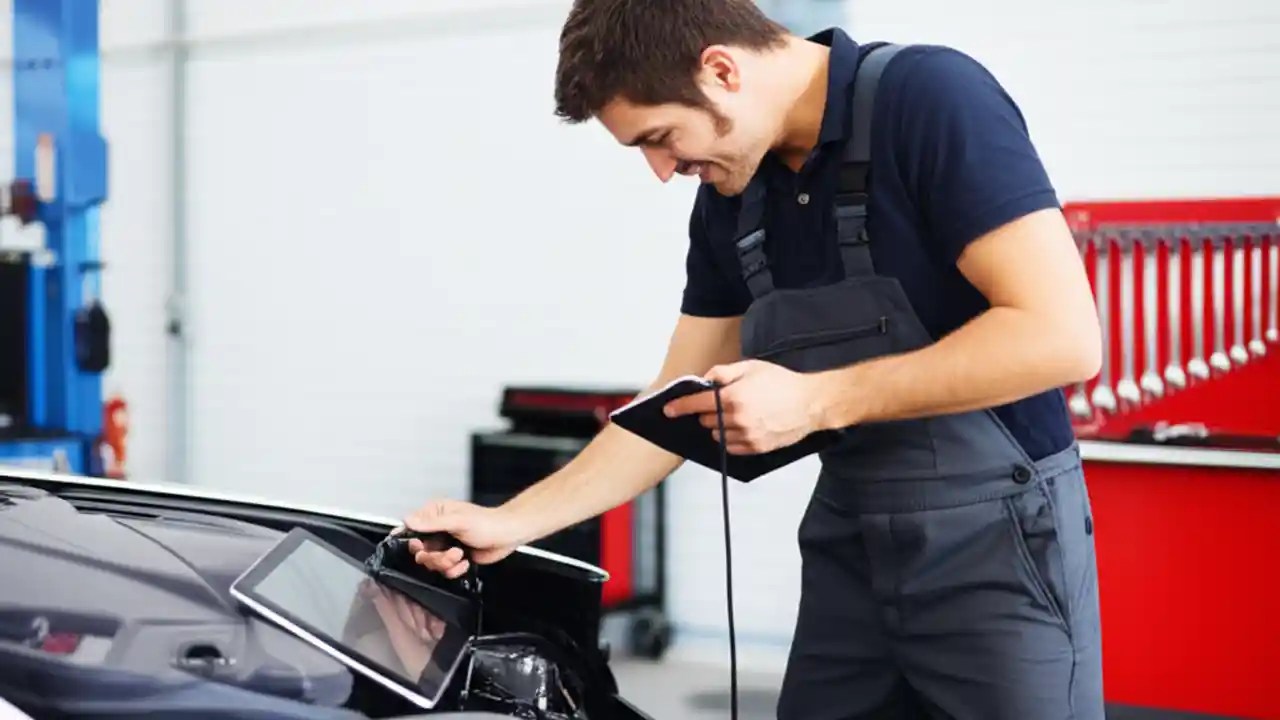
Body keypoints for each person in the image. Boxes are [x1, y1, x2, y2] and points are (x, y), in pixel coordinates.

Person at [402, 1, 1105, 717]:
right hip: (852, 542)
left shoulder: (928, 99)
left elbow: (1061, 337)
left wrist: (815, 400)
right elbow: (668, 407)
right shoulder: (732, 202)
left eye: (660, 138)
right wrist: (511, 523)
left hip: (999, 542)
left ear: (721, 70)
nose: (663, 170)